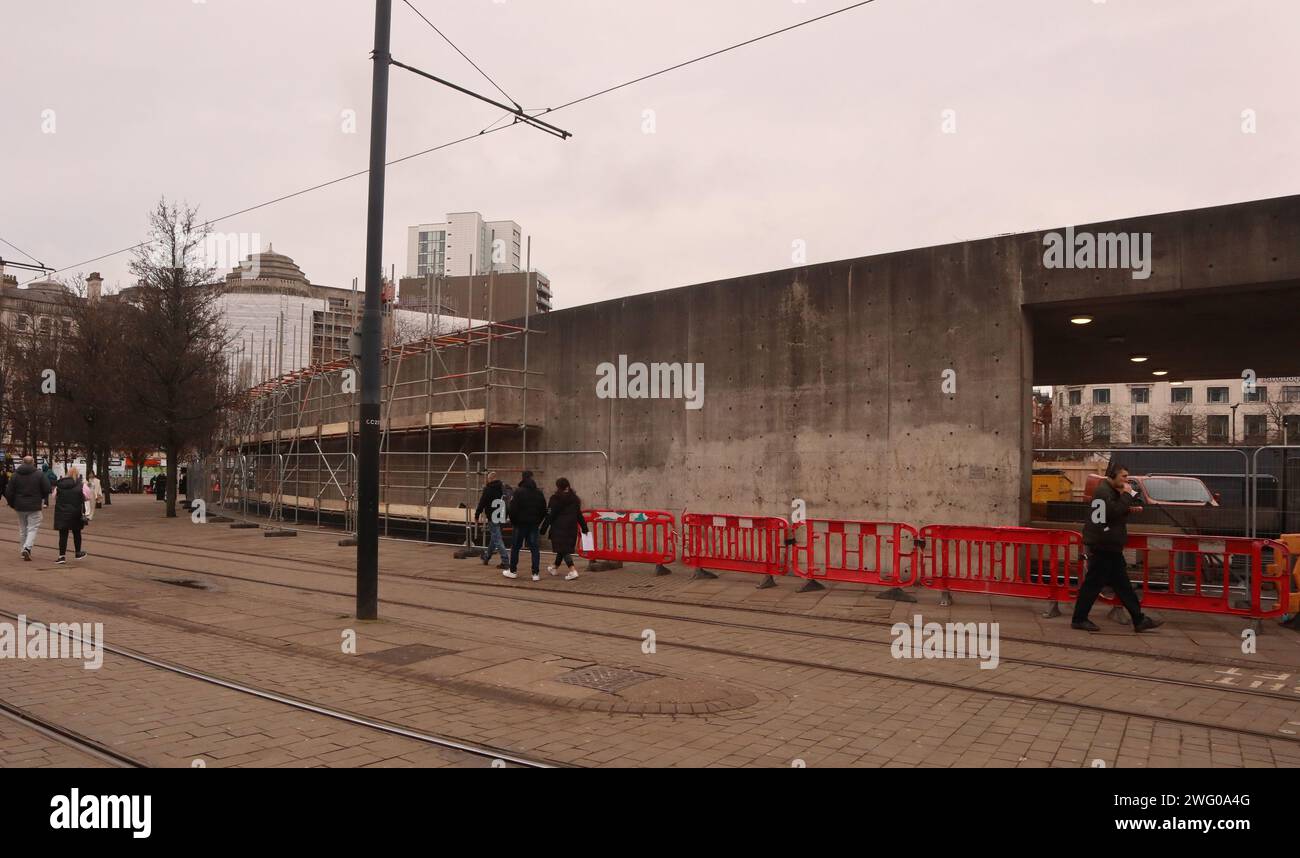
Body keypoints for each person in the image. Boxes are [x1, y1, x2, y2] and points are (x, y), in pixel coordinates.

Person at [1073, 463, 1162, 632]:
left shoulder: (1109, 491)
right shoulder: (1103, 492)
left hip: (1108, 544)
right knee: (1095, 584)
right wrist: (1127, 496)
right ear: (1113, 476)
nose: (1126, 480)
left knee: (1121, 585)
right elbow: (1111, 513)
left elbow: (1110, 513)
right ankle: (1079, 619)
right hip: (1103, 545)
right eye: (1124, 476)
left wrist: (1128, 508)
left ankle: (1139, 619)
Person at [540, 477, 588, 581]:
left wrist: (543, 529)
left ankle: (572, 570)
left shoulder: (555, 498)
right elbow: (579, 515)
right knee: (562, 549)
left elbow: (549, 515)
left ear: (558, 486)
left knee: (564, 550)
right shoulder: (575, 499)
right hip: (571, 528)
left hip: (559, 528)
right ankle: (554, 567)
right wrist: (584, 527)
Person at [5, 456, 52, 561]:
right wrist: (41, 498)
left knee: (23, 529)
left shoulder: (15, 475)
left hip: (19, 506)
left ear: (22, 462)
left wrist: (12, 504)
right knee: (32, 528)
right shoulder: (39, 474)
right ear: (33, 462)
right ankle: (27, 548)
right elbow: (47, 488)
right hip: (34, 506)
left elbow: (8, 492)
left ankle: (23, 550)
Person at [504, 470, 547, 582]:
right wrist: (538, 521)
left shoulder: (518, 492)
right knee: (534, 548)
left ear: (522, 478)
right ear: (532, 477)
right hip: (533, 524)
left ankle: (513, 571)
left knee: (516, 547)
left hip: (520, 524)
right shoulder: (538, 493)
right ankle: (535, 573)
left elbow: (512, 509)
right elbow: (544, 509)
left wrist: (514, 521)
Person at [51, 466, 91, 565]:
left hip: (62, 512)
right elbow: (87, 496)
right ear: (77, 475)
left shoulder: (59, 485)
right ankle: (78, 553)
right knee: (77, 532)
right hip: (76, 512)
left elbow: (54, 496)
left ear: (67, 474)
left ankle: (62, 556)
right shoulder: (82, 485)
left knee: (63, 534)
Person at [474, 471, 509, 569]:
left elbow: (482, 502)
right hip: (502, 515)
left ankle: (505, 561)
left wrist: (477, 514)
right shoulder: (503, 487)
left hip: (492, 516)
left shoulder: (488, 489)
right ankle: (486, 557)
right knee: (495, 537)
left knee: (497, 539)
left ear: (489, 479)